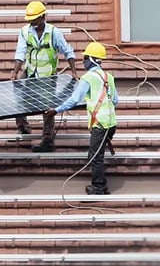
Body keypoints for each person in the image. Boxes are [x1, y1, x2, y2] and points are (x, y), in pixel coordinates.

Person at [45, 42, 118, 195]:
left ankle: (98, 187)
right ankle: (102, 184)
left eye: (85, 57)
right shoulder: (108, 77)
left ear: (90, 59)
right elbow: (116, 100)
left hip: (100, 124)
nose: (83, 61)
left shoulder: (88, 78)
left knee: (95, 156)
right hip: (111, 124)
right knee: (97, 154)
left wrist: (56, 110)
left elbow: (74, 99)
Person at [10, 1, 78, 153]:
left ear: (42, 17)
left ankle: (47, 140)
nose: (31, 22)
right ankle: (24, 128)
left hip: (47, 76)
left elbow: (68, 51)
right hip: (30, 72)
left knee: (48, 108)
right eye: (30, 19)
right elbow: (20, 53)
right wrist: (15, 72)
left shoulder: (53, 32)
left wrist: (74, 72)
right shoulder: (25, 31)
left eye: (34, 19)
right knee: (17, 97)